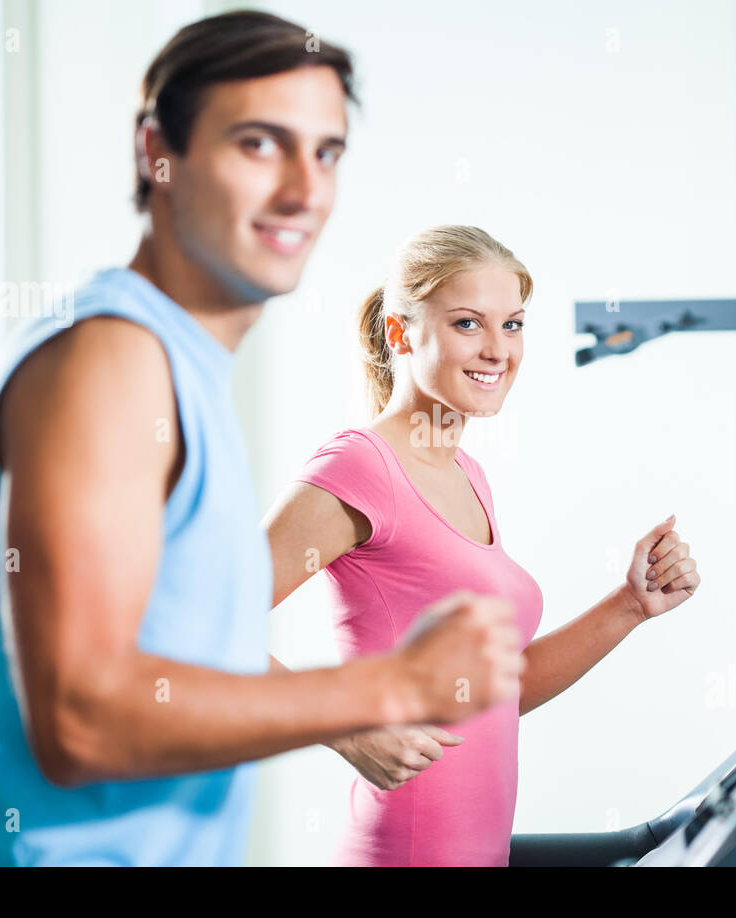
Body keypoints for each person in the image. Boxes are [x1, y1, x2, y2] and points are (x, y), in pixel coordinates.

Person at [0, 11, 524, 867]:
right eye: (259, 144)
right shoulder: (114, 359)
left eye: (325, 153)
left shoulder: (147, 359)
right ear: (157, 153)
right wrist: (382, 690)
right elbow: (79, 721)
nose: (302, 189)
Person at [263, 225, 700, 866]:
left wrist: (630, 605)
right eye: (469, 324)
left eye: (513, 325)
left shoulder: (468, 475)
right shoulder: (361, 468)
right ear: (400, 333)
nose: (498, 350)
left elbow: (499, 690)